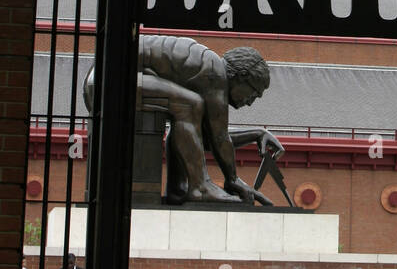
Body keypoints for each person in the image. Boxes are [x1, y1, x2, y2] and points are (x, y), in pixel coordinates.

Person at [83, 36, 287, 205]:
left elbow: (202, 139)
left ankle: (178, 188)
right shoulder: (214, 73)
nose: (250, 102)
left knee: (185, 109)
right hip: (108, 81)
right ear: (242, 76)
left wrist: (257, 134)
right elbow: (218, 137)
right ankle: (199, 187)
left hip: (104, 80)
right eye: (253, 94)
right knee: (189, 106)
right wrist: (232, 179)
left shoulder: (206, 66)